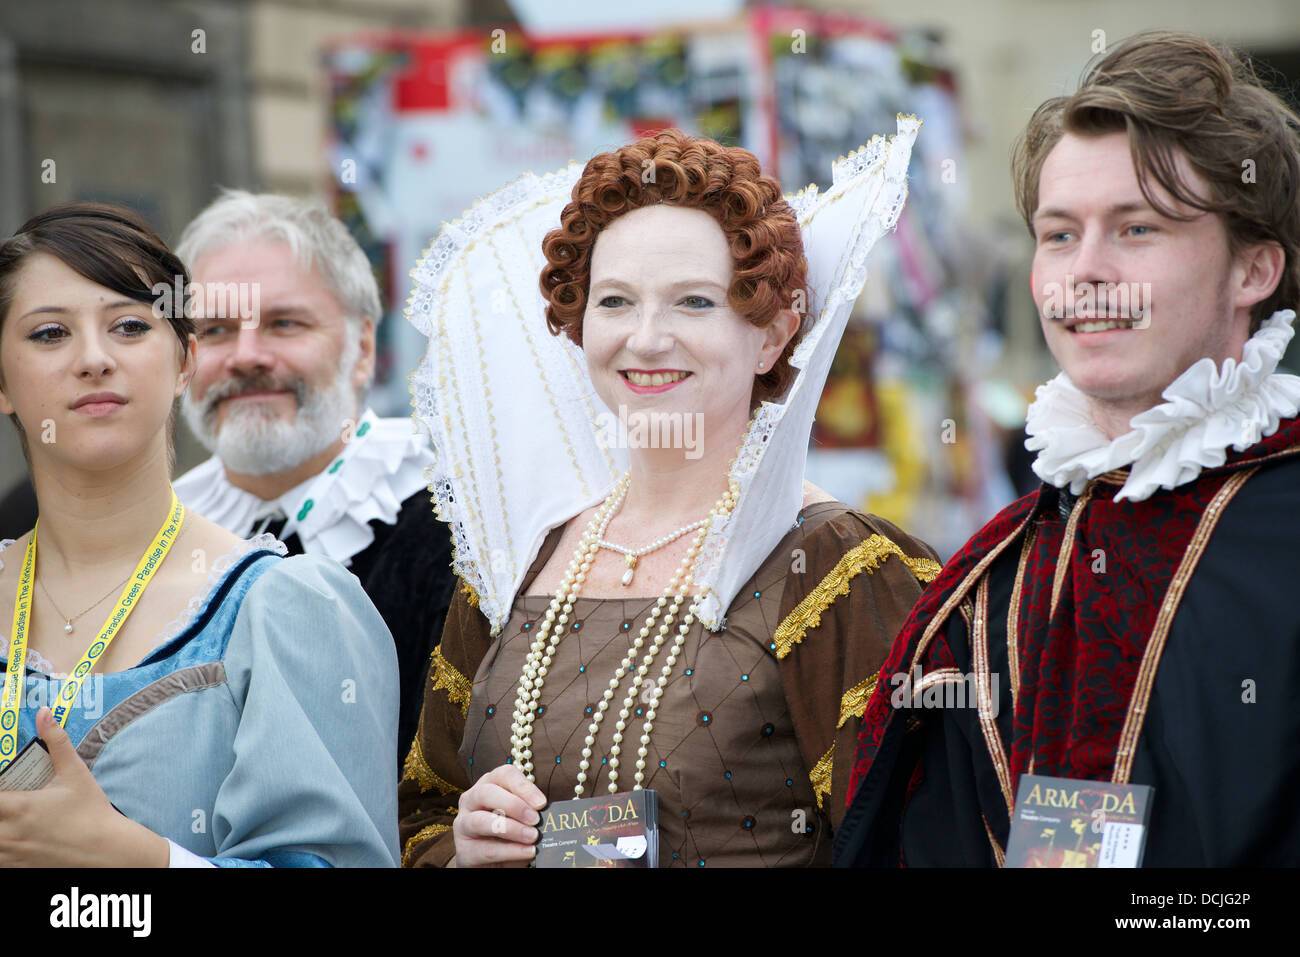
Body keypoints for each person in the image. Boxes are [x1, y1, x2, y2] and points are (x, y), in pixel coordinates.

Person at [398, 121, 941, 867]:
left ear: (773, 335)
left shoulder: (836, 565)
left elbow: (911, 842)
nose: (647, 339)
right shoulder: (518, 554)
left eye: (693, 302)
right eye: (615, 302)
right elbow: (422, 810)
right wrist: (463, 849)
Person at [836, 31, 1300, 867]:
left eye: (1137, 229)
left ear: (1253, 269)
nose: (1087, 272)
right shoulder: (985, 579)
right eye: (1058, 235)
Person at [0, 202, 399, 866]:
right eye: (49, 334)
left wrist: (134, 857)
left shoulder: (283, 610)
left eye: (130, 326)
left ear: (185, 361)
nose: (93, 359)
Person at [171, 191, 456, 766]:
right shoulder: (147, 534)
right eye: (217, 330)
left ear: (363, 348)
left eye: (283, 323)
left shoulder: (452, 530)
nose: (246, 357)